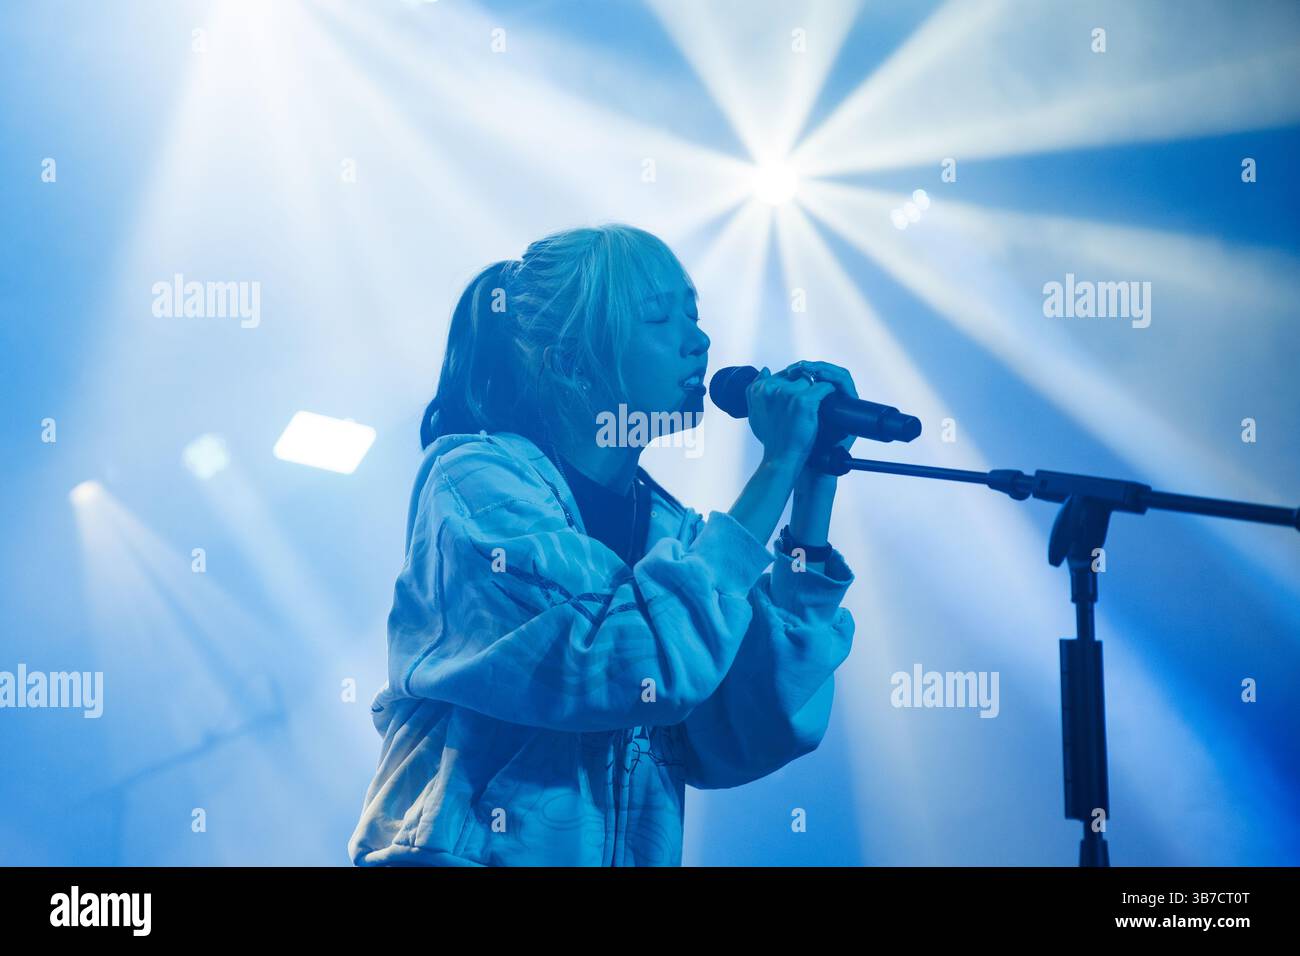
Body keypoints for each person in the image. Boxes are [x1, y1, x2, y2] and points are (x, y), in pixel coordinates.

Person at [347, 223, 857, 866]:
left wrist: (813, 481)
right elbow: (616, 661)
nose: (698, 340)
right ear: (567, 360)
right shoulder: (475, 482)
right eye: (659, 317)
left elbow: (746, 727)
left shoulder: (674, 535)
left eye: (695, 315)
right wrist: (775, 468)